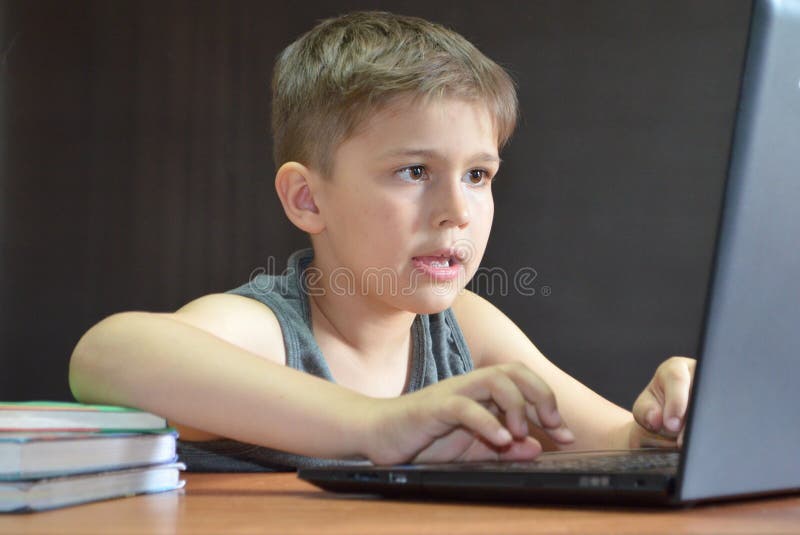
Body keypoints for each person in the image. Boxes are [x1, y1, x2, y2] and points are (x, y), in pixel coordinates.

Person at [68, 11, 695, 471]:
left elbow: (618, 444)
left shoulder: (465, 329)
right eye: (414, 172)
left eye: (477, 175)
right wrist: (376, 424)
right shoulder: (273, 331)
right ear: (307, 199)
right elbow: (107, 356)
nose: (457, 211)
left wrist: (676, 423)